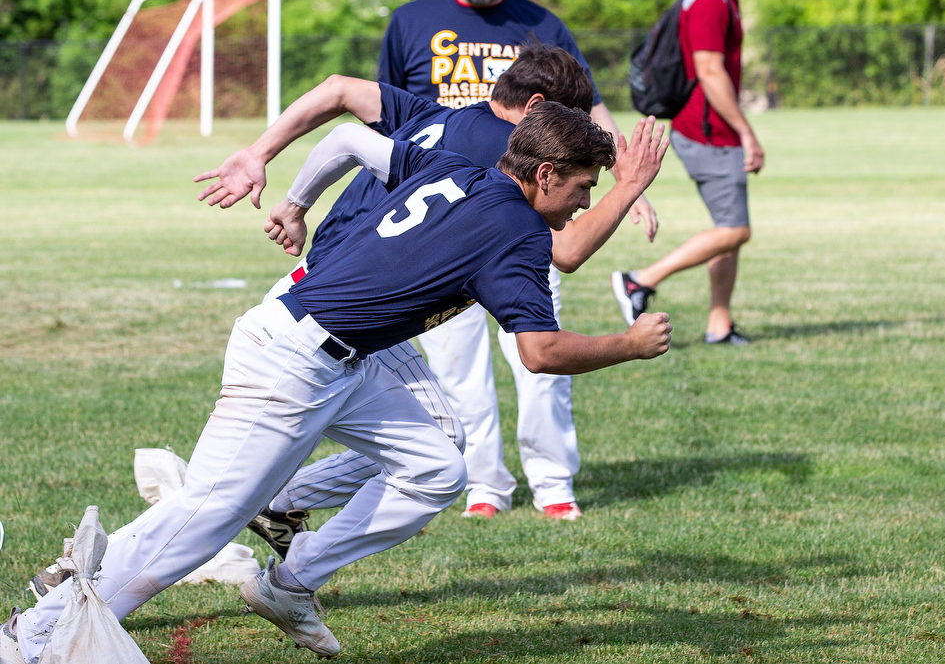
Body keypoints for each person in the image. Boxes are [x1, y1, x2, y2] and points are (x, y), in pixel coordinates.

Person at [4, 103, 672, 664]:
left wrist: (298, 201)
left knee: (438, 465)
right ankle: (37, 634)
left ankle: (290, 580)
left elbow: (350, 138)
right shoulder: (517, 229)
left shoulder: (459, 172)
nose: (584, 200)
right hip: (293, 360)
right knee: (202, 521)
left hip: (336, 354)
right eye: (583, 186)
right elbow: (541, 350)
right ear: (546, 173)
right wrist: (632, 344)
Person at [193, 44, 661, 554]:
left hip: (320, 291)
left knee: (435, 437)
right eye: (565, 120)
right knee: (434, 444)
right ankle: (256, 511)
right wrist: (630, 186)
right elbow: (565, 251)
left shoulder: (438, 115)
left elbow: (338, 91)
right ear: (535, 110)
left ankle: (255, 506)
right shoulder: (506, 155)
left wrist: (279, 180)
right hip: (347, 310)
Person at [377, 0, 656, 520]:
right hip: (445, 218)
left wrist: (626, 181)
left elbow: (589, 105)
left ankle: (553, 482)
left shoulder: (541, 24)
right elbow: (390, 118)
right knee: (456, 360)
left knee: (540, 346)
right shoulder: (410, 21)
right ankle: (485, 483)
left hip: (532, 209)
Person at [611, 0, 765, 345]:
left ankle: (720, 324)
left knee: (727, 231)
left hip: (714, 131)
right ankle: (639, 281)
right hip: (707, 133)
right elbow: (709, 71)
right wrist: (747, 134)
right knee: (736, 230)